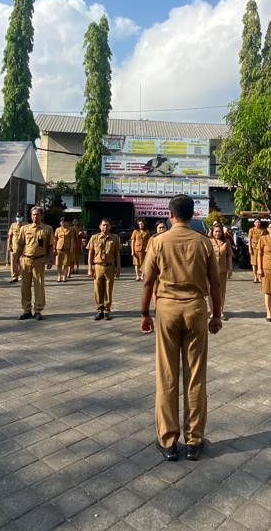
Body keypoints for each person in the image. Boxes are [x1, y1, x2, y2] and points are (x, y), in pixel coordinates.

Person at [140, 194, 222, 462]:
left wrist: (144, 313)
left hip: (167, 310)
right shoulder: (205, 242)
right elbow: (215, 284)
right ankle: (194, 441)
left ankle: (168, 441)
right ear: (192, 215)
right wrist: (216, 315)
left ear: (170, 215)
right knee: (195, 376)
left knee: (167, 375)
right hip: (196, 309)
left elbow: (147, 282)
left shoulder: (158, 241)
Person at [13, 206, 54, 320]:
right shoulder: (25, 229)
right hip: (26, 261)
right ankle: (27, 310)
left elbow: (50, 246)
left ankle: (38, 310)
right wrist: (16, 262)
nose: (35, 216)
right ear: (31, 216)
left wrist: (50, 260)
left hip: (39, 261)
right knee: (25, 287)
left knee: (39, 286)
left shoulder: (47, 229)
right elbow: (20, 245)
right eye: (33, 214)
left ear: (41, 215)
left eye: (37, 214)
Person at [87, 218, 121, 320]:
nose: (105, 227)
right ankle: (99, 310)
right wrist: (89, 268)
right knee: (97, 289)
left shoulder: (115, 238)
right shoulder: (94, 238)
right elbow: (90, 253)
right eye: (103, 225)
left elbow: (117, 254)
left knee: (108, 289)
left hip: (110, 266)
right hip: (98, 266)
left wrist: (118, 267)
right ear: (100, 226)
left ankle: (107, 310)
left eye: (107, 225)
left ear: (110, 227)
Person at [208, 224, 232, 319]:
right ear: (212, 232)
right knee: (211, 292)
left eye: (219, 231)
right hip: (210, 271)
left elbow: (229, 255)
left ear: (222, 232)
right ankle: (213, 311)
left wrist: (230, 268)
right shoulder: (208, 242)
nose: (217, 233)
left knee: (221, 292)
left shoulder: (226, 242)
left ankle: (220, 311)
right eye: (215, 231)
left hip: (222, 270)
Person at [54, 217, 75, 282]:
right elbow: (55, 239)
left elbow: (72, 239)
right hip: (59, 248)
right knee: (58, 263)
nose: (62, 223)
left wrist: (71, 248)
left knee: (66, 263)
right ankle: (59, 275)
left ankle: (64, 276)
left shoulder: (70, 229)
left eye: (64, 221)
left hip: (67, 248)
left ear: (67, 222)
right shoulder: (57, 229)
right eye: (61, 222)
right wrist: (54, 248)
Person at [6, 213, 24, 283]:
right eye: (17, 216)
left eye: (20, 216)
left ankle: (21, 276)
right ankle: (14, 276)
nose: (18, 218)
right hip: (14, 247)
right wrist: (9, 245)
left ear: (22, 217)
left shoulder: (26, 225)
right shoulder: (13, 225)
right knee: (14, 262)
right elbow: (10, 236)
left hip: (23, 248)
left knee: (22, 262)